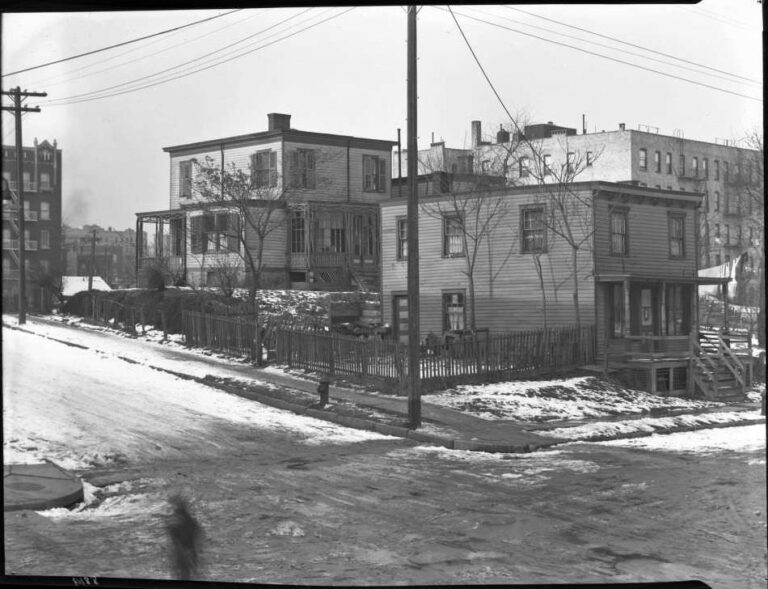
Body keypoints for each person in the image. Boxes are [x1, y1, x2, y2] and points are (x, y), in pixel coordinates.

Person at [166, 493, 203, 580]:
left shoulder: (176, 522)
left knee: (182, 574)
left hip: (181, 553)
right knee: (188, 573)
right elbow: (197, 533)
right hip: (190, 552)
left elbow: (174, 536)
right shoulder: (191, 521)